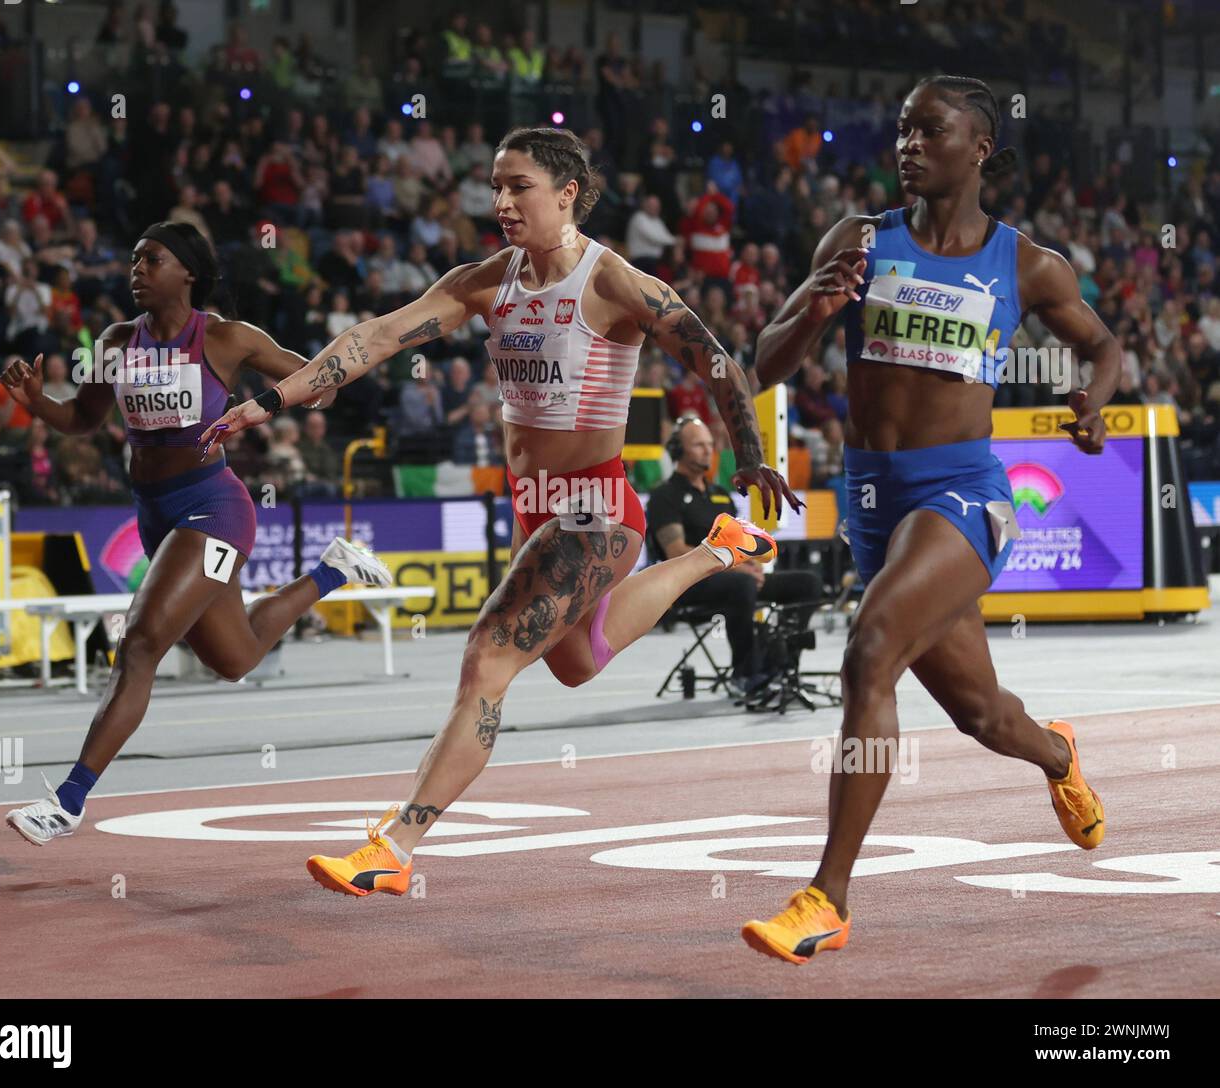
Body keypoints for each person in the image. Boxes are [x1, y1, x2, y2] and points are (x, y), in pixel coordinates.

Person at [200, 126, 796, 897]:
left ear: (567, 194)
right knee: (578, 664)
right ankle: (718, 551)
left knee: (487, 658)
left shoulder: (612, 284)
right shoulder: (487, 280)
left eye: (518, 186)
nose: (501, 201)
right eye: (494, 186)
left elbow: (713, 356)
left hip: (594, 513)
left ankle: (395, 843)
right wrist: (271, 400)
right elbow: (377, 335)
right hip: (533, 511)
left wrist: (746, 450)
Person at [746, 75, 1118, 964]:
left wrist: (1092, 402)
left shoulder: (1026, 263)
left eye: (929, 130)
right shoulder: (860, 241)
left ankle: (826, 897)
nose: (908, 145)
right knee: (984, 716)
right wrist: (816, 311)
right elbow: (762, 362)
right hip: (873, 502)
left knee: (869, 649)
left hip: (965, 495)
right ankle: (1058, 755)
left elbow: (1100, 346)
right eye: (903, 131)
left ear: (980, 148)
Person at [1, 221, 392, 847]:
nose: (136, 269)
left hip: (214, 507)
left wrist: (279, 400)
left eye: (150, 259)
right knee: (234, 659)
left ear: (187, 272)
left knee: (140, 643)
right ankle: (335, 570)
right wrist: (36, 403)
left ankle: (68, 801)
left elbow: (320, 382)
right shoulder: (114, 341)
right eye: (132, 259)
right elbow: (81, 417)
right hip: (155, 514)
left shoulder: (228, 338)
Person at [646, 414, 820, 698]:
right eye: (698, 445)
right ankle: (746, 672)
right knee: (742, 585)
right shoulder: (665, 495)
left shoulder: (719, 495)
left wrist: (751, 564)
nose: (707, 450)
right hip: (688, 583)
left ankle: (781, 666)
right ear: (678, 450)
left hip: (734, 575)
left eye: (709, 444)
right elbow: (676, 552)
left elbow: (742, 542)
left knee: (808, 583)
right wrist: (737, 570)